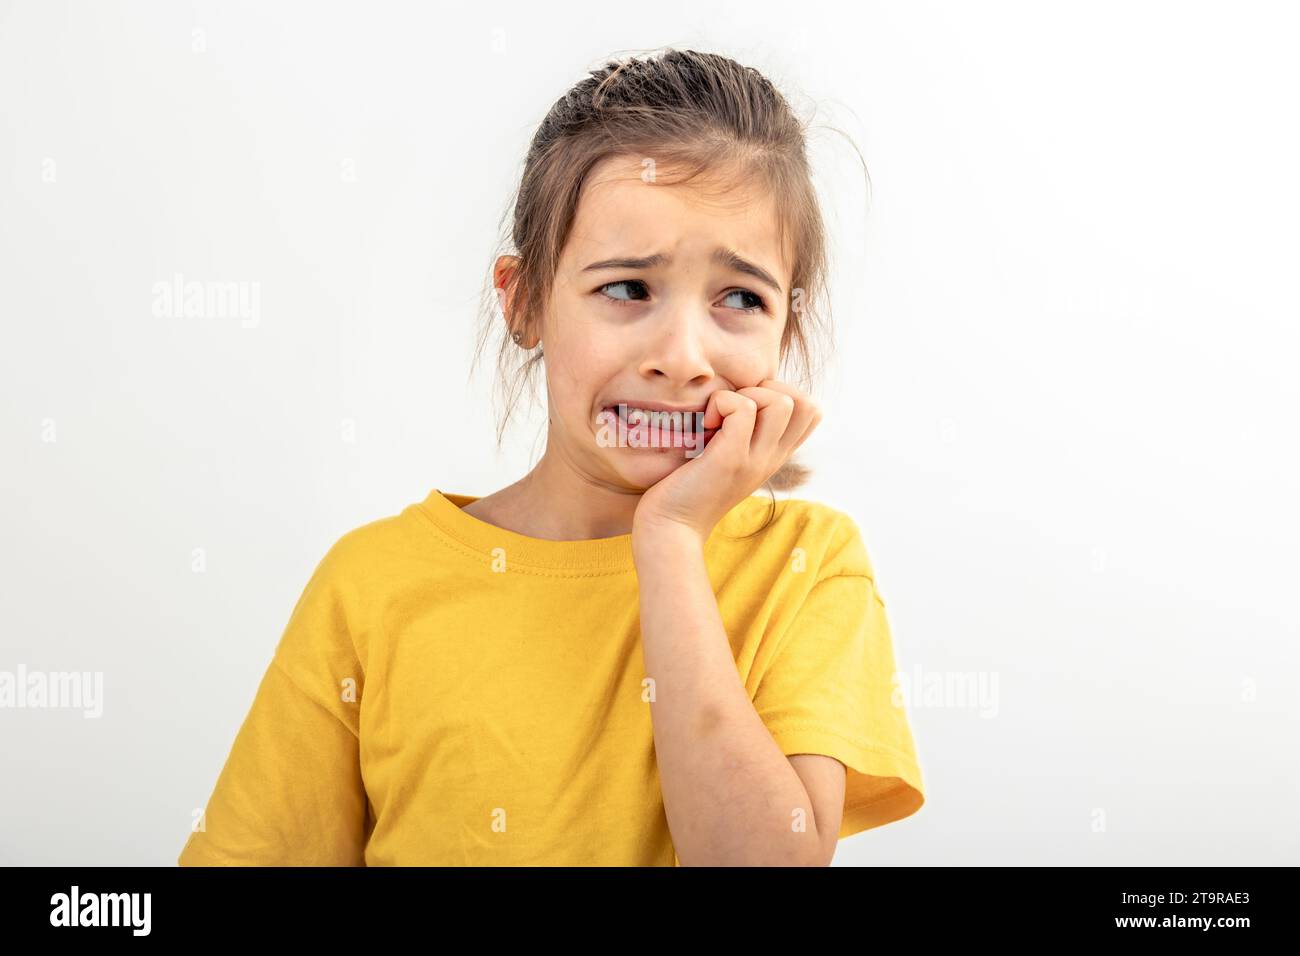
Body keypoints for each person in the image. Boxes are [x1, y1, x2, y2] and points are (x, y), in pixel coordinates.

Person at [178, 48, 924, 867]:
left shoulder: (807, 567)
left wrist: (670, 541)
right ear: (525, 301)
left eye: (740, 299)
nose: (683, 356)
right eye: (628, 289)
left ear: (786, 326)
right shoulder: (369, 587)